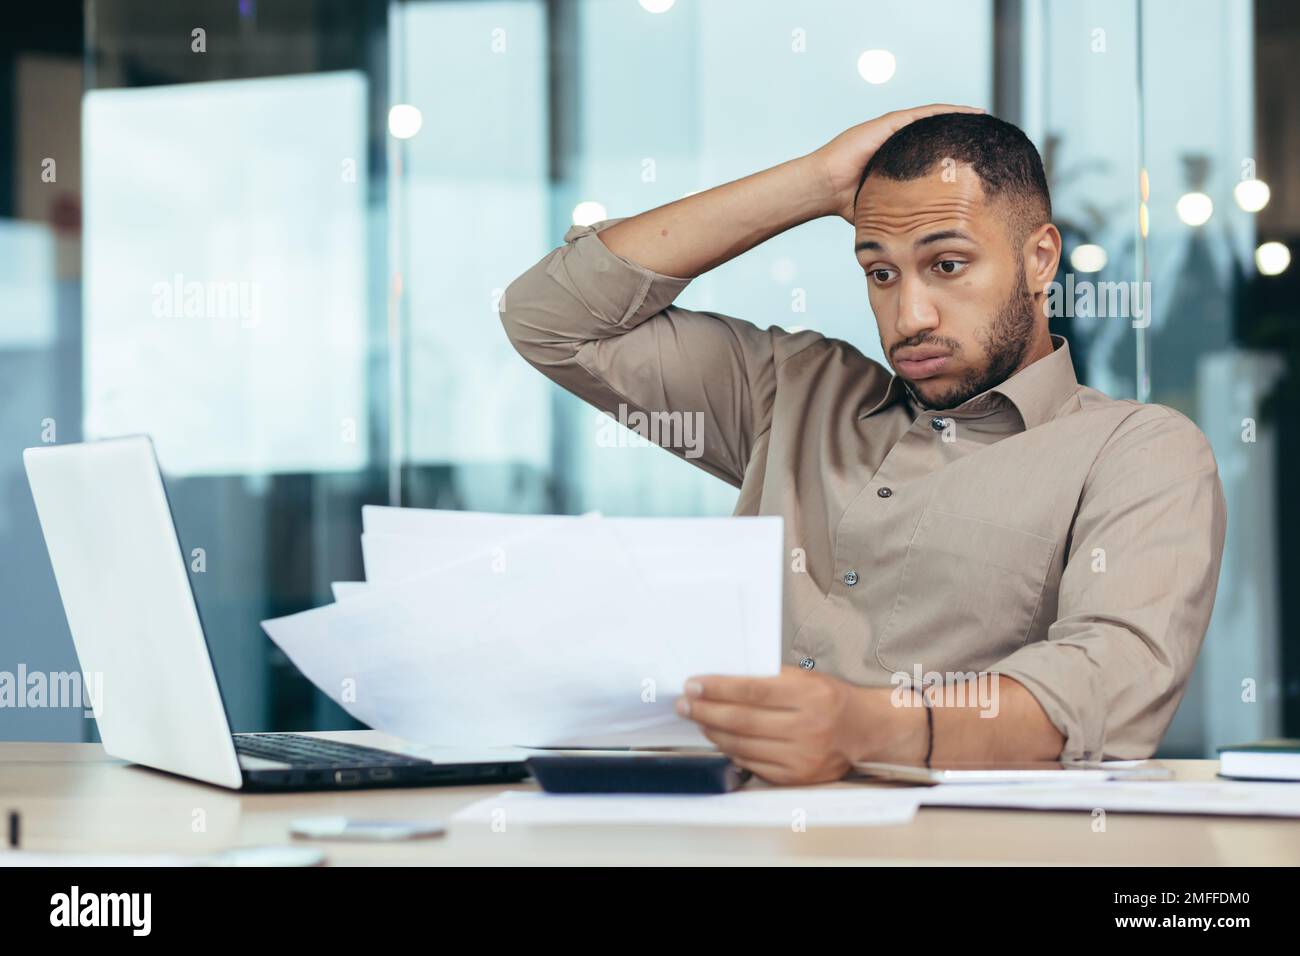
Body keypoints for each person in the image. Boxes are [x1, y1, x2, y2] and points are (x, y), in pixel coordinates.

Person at [499, 105, 1227, 785]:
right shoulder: (791, 391)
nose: (908, 315)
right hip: (722, 837)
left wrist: (865, 728)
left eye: (946, 265)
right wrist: (812, 183)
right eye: (880, 272)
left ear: (1040, 261)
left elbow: (1107, 687)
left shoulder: (1138, 451)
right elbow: (549, 320)